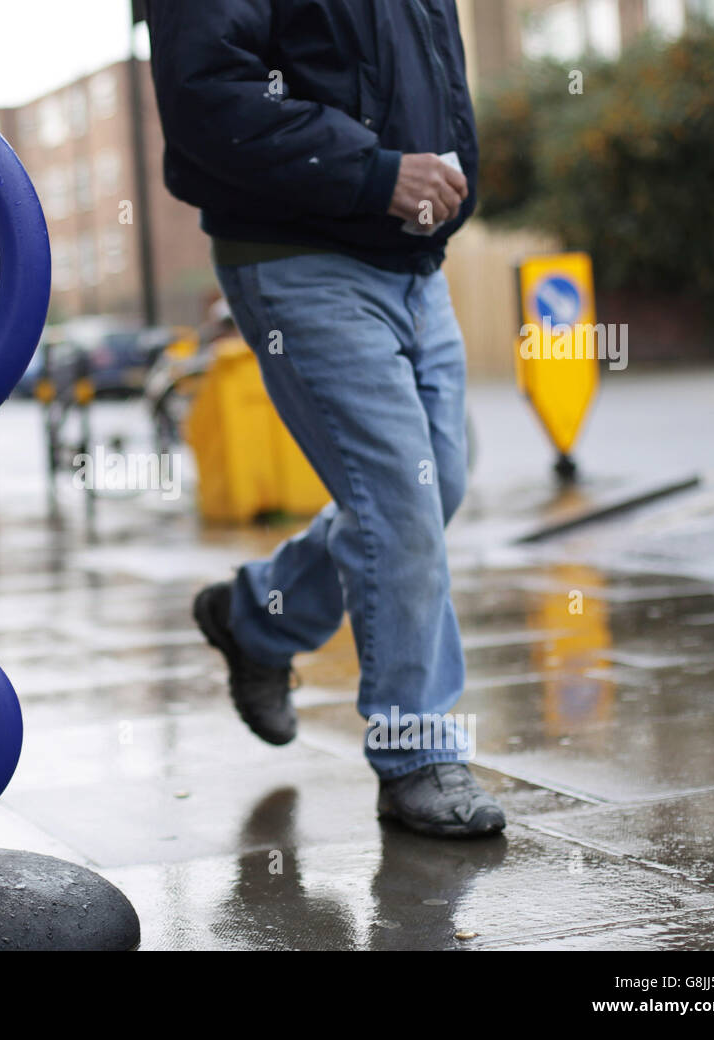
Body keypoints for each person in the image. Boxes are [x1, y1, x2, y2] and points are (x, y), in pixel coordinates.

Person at [145, 0, 505, 838]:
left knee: (437, 484)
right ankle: (416, 752)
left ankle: (256, 617)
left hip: (413, 258)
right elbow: (206, 94)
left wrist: (445, 190)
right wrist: (380, 175)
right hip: (298, 257)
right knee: (400, 505)